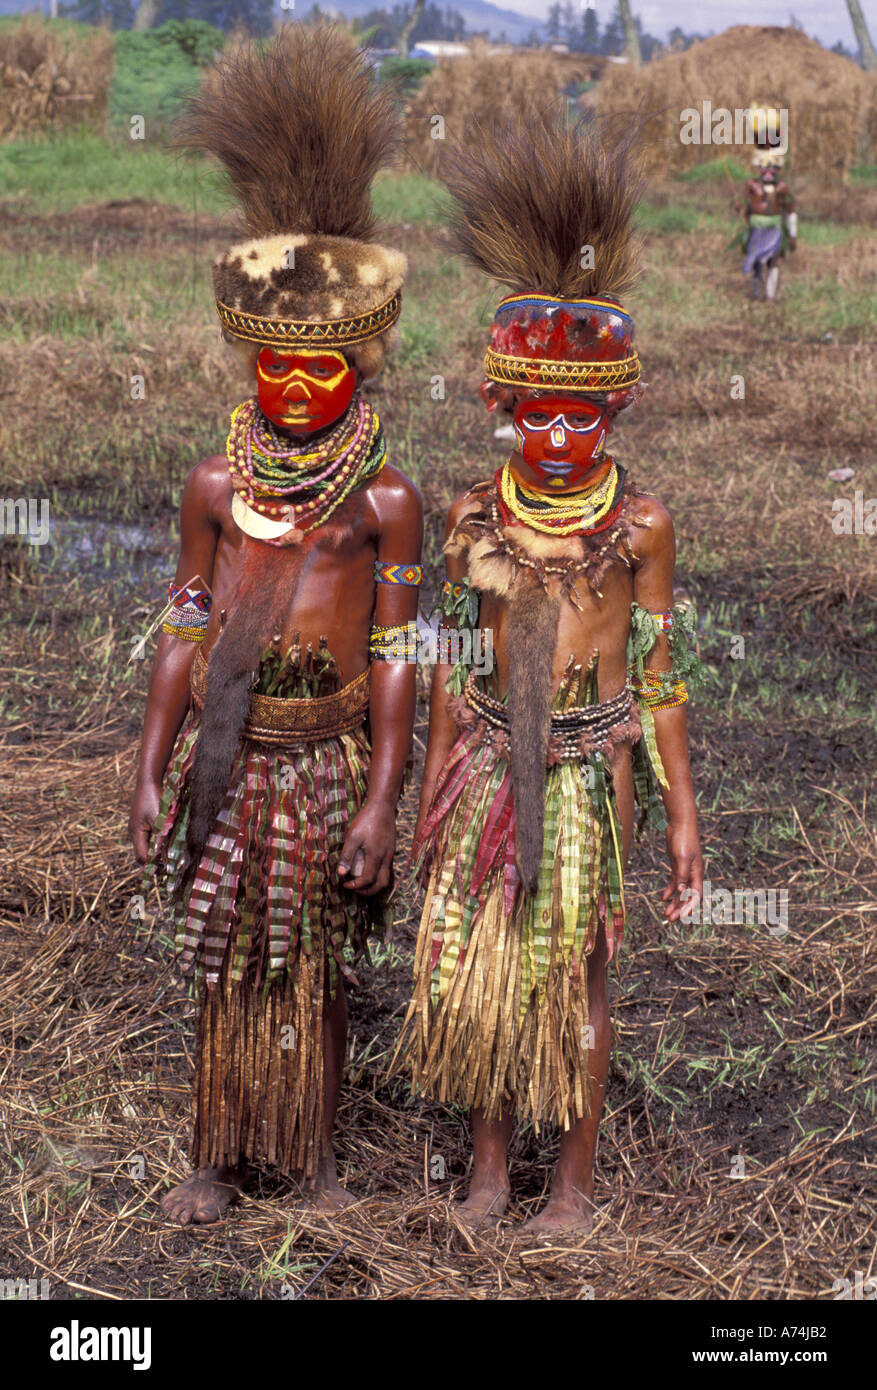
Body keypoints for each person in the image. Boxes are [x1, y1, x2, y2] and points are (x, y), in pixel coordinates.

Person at [129, 27, 422, 1225]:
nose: (296, 393)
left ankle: (315, 1159)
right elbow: (183, 623)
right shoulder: (212, 483)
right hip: (226, 753)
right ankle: (215, 1148)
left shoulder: (386, 502)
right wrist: (148, 766)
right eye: (274, 371)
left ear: (362, 360)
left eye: (322, 372)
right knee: (221, 955)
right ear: (247, 357)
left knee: (317, 963)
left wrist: (380, 795)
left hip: (324, 754)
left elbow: (400, 656)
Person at [393, 111, 703, 1236]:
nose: (561, 436)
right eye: (537, 413)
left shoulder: (645, 523)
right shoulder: (472, 511)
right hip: (483, 762)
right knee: (479, 954)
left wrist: (680, 811)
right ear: (500, 407)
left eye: (583, 411)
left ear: (615, 405)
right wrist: (429, 777)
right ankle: (484, 1171)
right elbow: (446, 659)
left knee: (575, 968)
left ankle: (568, 1182)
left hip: (587, 768)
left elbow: (660, 670)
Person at [738, 107, 797, 301]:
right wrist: (740, 210)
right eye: (765, 168)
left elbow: (790, 212)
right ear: (759, 167)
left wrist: (793, 235)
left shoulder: (782, 188)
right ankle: (756, 293)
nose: (769, 173)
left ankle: (770, 296)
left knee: (773, 261)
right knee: (755, 262)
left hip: (774, 229)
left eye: (773, 168)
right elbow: (742, 204)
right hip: (756, 228)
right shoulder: (752, 185)